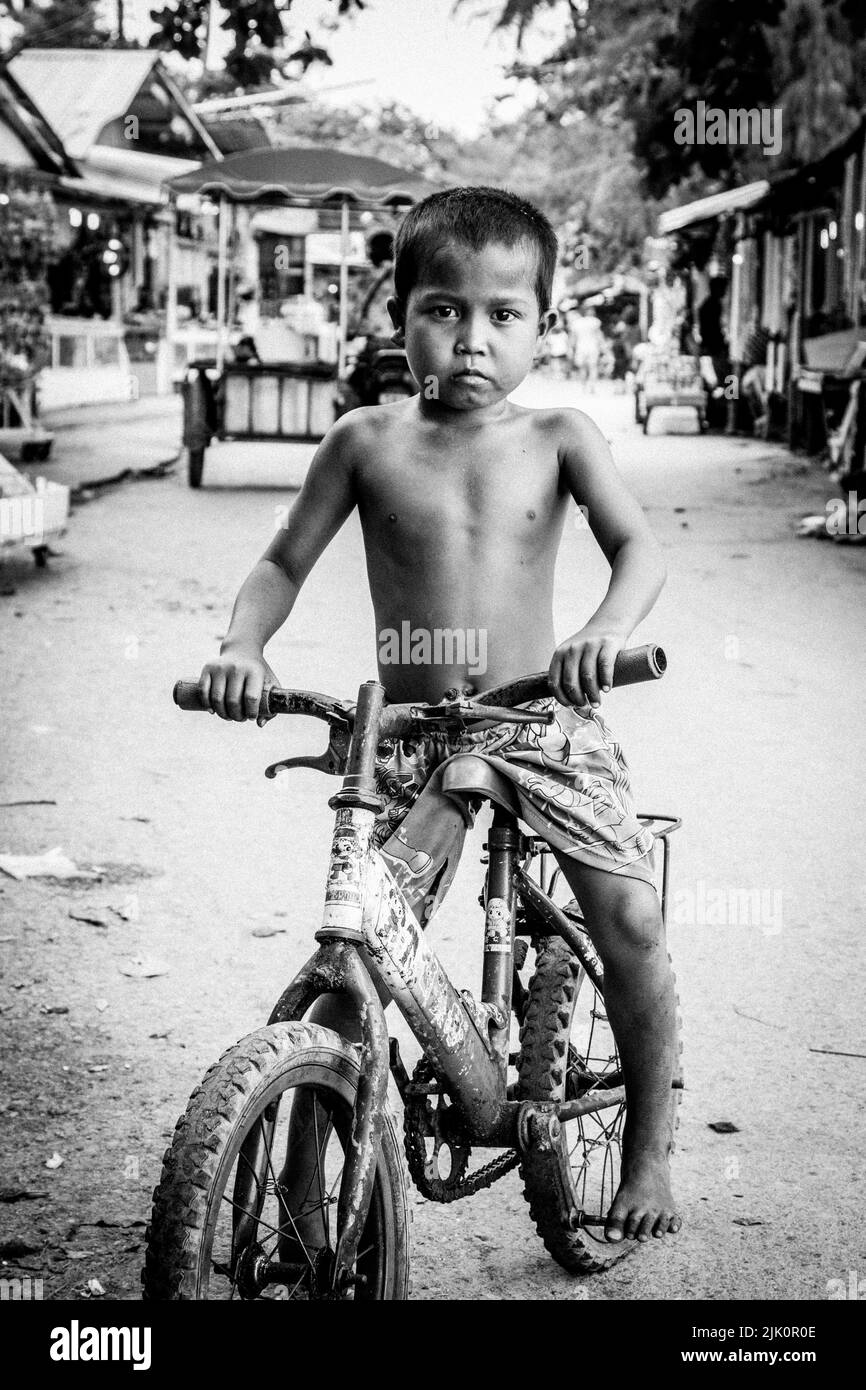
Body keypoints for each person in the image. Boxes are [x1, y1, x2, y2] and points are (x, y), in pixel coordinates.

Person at [197, 186, 680, 1245]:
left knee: (631, 918)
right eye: (442, 310)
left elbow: (637, 547)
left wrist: (601, 629)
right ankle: (313, 1173)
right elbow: (282, 561)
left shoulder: (560, 436)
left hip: (538, 724)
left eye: (502, 316)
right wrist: (242, 645)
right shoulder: (364, 441)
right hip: (414, 737)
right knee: (366, 930)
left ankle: (646, 1144)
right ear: (399, 315)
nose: (470, 340)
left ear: (542, 327)